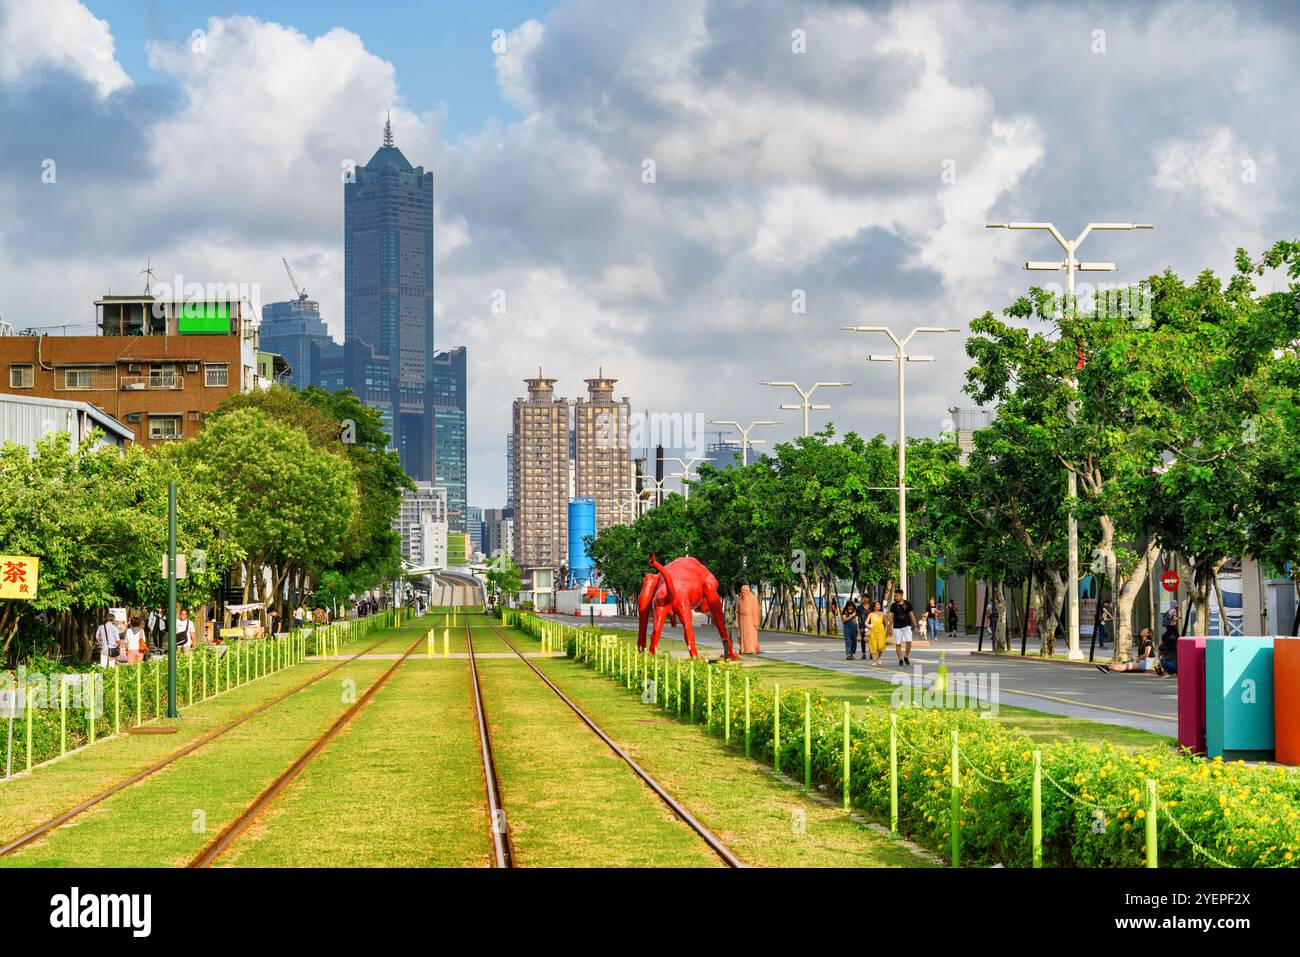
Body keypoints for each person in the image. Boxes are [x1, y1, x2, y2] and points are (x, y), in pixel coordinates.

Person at [889, 588, 917, 666]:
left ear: (901, 595)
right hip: (897, 627)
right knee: (898, 643)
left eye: (897, 596)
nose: (895, 597)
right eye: (895, 596)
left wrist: (915, 625)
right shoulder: (893, 605)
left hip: (907, 626)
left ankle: (906, 656)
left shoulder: (908, 604)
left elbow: (911, 614)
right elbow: (891, 617)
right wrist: (889, 627)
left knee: (909, 642)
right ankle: (900, 659)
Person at [737, 584, 761, 655]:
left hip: (750, 619)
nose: (743, 593)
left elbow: (756, 611)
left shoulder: (753, 599)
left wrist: (756, 622)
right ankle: (743, 649)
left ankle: (752, 649)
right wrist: (736, 621)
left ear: (748, 591)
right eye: (742, 591)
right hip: (741, 619)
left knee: (751, 635)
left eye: (744, 591)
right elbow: (737, 611)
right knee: (743, 635)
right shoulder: (739, 599)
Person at [865, 600, 888, 665]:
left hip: (881, 631)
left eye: (879, 604)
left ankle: (878, 658)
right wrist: (868, 625)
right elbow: (866, 622)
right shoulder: (871, 614)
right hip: (873, 631)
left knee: (881, 646)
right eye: (877, 605)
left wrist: (887, 630)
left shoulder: (882, 614)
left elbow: (886, 623)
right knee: (873, 645)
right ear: (874, 607)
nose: (879, 605)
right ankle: (874, 661)